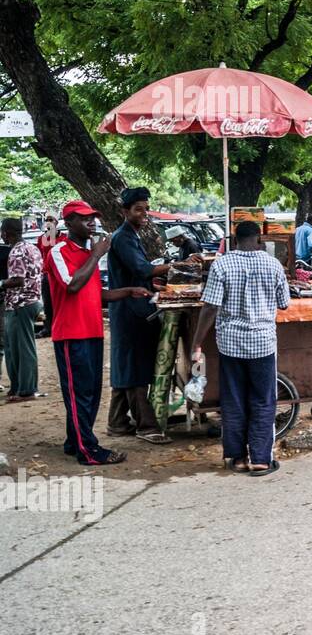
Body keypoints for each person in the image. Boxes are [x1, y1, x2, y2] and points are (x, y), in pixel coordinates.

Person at [45, 201, 151, 465]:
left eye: (93, 218)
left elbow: (96, 294)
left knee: (89, 392)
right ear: (68, 224)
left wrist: (128, 291)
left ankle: (75, 441)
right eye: (84, 219)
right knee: (79, 393)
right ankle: (88, 450)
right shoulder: (60, 251)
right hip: (71, 334)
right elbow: (72, 286)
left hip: (92, 331)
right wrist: (96, 255)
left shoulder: (87, 252)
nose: (91, 223)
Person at [193, 220, 292, 475]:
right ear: (259, 240)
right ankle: (260, 458)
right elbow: (284, 303)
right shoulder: (273, 265)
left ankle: (236, 458)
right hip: (262, 344)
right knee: (262, 400)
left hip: (231, 344)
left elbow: (211, 307)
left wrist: (197, 341)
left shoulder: (222, 264)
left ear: (233, 239)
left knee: (233, 400)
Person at [108, 187, 179, 443]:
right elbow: (141, 269)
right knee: (135, 367)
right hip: (130, 310)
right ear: (125, 211)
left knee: (125, 365)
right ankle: (146, 425)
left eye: (146, 209)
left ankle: (117, 422)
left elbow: (139, 272)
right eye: (139, 210)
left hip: (131, 307)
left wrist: (156, 284)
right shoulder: (123, 237)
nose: (144, 214)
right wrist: (176, 266)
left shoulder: (130, 236)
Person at [2, 218, 43, 401]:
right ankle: (17, 387)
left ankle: (26, 390)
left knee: (22, 348)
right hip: (31, 301)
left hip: (21, 303)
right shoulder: (32, 247)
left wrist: (1, 283)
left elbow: (17, 280)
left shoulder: (16, 252)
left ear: (6, 232)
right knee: (14, 348)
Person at [35, 212, 64, 338]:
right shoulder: (42, 238)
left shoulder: (64, 238)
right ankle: (48, 328)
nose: (49, 222)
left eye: (51, 219)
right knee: (48, 303)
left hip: (61, 273)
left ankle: (61, 326)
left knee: (61, 302)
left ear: (57, 222)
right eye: (47, 219)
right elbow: (40, 255)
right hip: (47, 274)